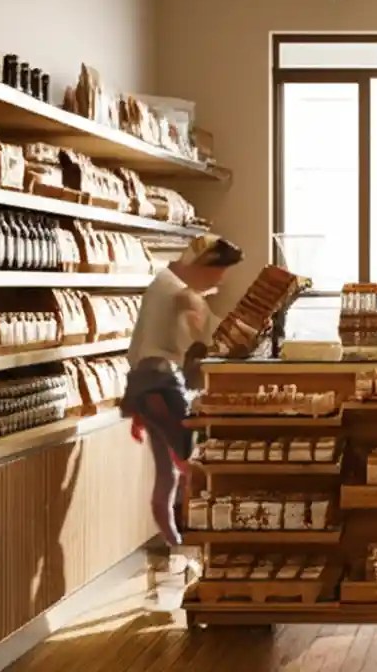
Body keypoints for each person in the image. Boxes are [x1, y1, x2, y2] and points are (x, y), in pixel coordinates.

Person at [122, 233, 244, 547]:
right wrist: (246, 337)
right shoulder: (180, 291)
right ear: (202, 265)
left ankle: (175, 542)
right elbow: (213, 329)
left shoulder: (161, 282)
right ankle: (194, 537)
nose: (219, 279)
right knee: (194, 464)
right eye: (218, 272)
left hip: (140, 385)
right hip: (160, 383)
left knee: (168, 471)